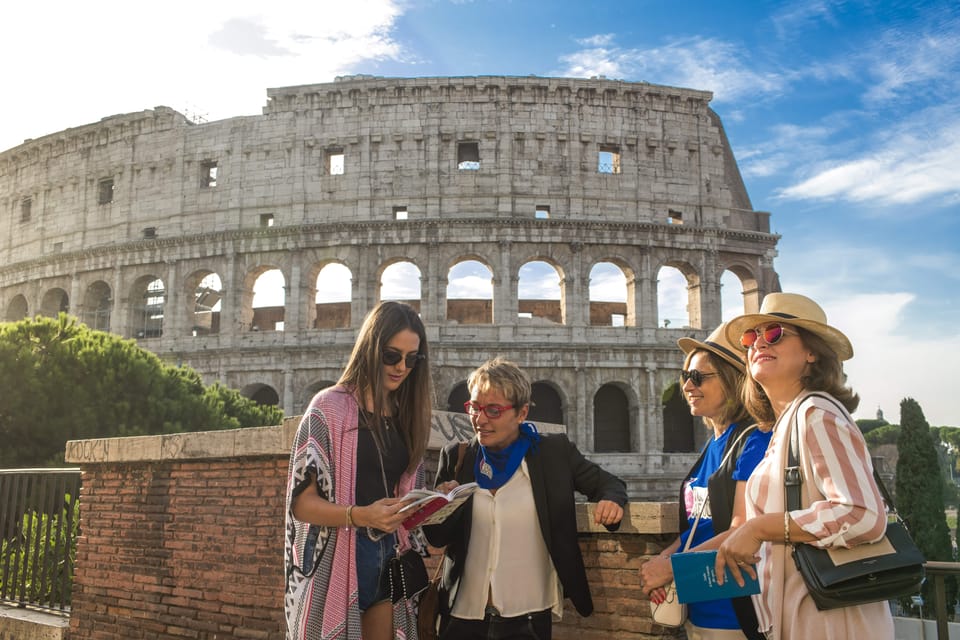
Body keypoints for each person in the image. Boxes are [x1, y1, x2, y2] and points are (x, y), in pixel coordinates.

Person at [716, 293, 894, 639]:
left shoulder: (816, 414)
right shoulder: (789, 422)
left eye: (774, 333)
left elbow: (863, 515)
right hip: (805, 612)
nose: (758, 343)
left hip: (831, 620)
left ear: (812, 352)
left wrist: (758, 529)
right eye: (751, 337)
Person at [423, 357, 627, 640]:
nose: (480, 420)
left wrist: (611, 500)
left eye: (493, 410)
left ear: (522, 413)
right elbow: (436, 537)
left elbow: (609, 484)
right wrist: (441, 504)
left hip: (528, 617)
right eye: (474, 408)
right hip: (462, 615)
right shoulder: (457, 457)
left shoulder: (553, 454)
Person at [283, 300, 434, 640]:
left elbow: (403, 494)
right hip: (338, 554)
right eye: (392, 356)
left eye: (412, 359)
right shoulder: (328, 407)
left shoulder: (406, 415)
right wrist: (361, 515)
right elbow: (301, 504)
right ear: (370, 348)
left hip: (390, 552)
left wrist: (433, 499)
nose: (402, 367)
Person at [640, 323, 770, 640]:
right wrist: (664, 560)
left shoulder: (755, 441)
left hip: (735, 613)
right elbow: (700, 526)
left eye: (698, 377)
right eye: (686, 376)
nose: (687, 386)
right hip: (698, 604)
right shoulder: (712, 445)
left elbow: (744, 528)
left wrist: (672, 568)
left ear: (733, 380)